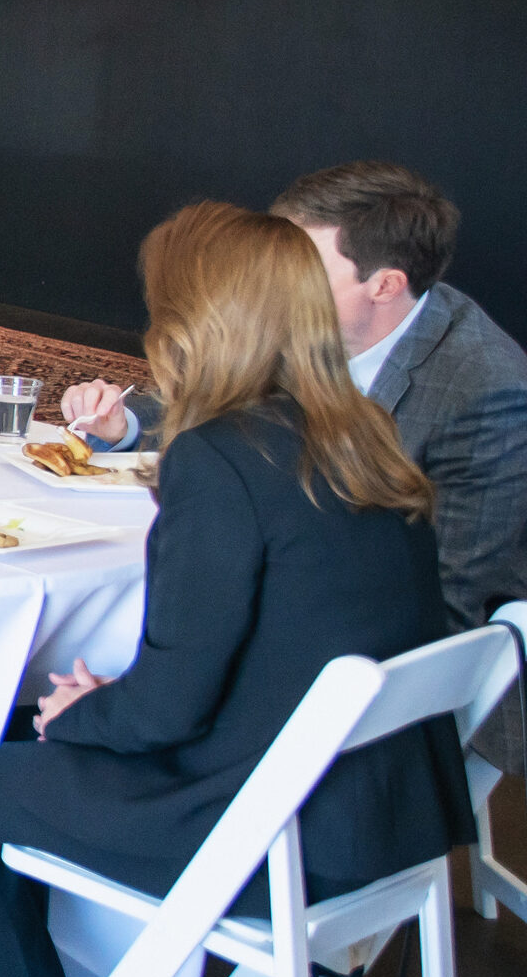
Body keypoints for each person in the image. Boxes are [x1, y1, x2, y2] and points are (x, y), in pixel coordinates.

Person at [0, 203, 471, 977]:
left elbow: (168, 709)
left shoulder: (220, 458)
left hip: (260, 833)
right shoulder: (364, 434)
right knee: (24, 737)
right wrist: (102, 709)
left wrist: (85, 713)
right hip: (379, 822)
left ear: (195, 322)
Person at [66, 161, 527, 636]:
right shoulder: (311, 317)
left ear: (385, 285)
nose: (276, 284)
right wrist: (126, 427)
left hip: (360, 646)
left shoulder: (485, 394)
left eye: (302, 267)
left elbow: (454, 607)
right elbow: (224, 397)